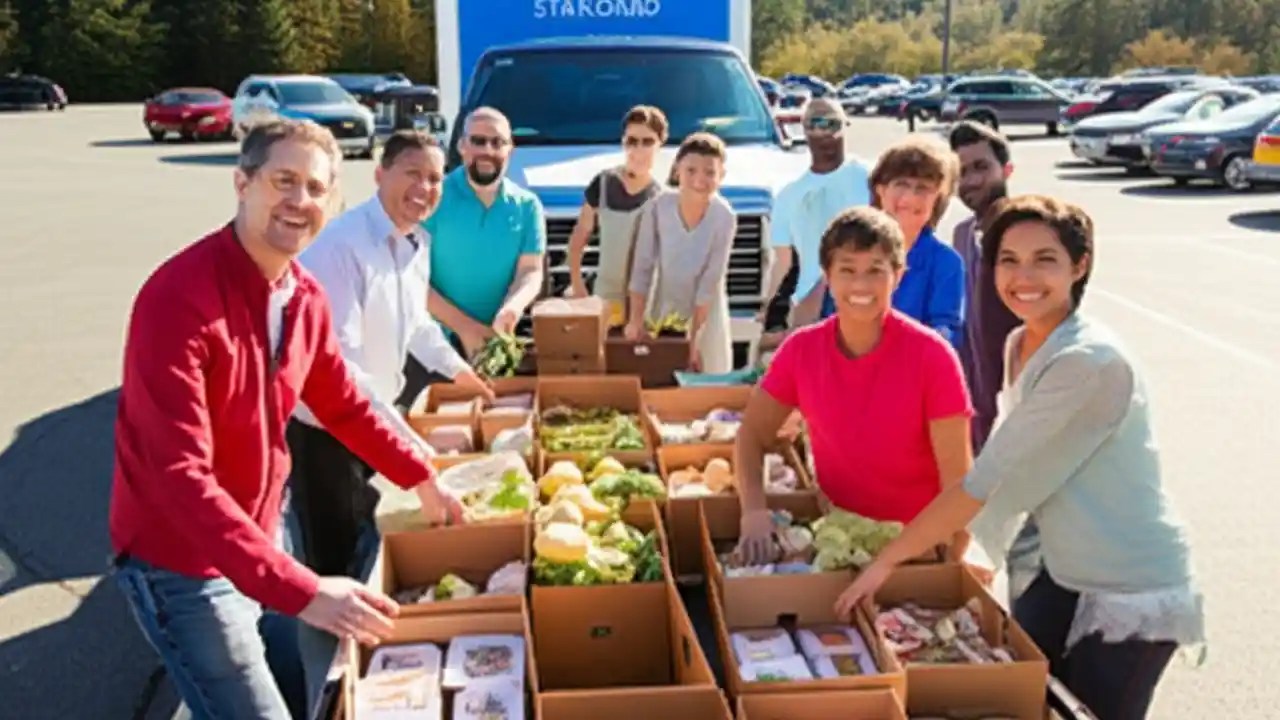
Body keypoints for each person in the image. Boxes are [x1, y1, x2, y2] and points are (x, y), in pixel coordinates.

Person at [108, 119, 464, 720]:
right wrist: (303, 589)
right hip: (182, 564)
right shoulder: (178, 298)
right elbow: (178, 474)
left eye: (317, 188)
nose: (300, 201)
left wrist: (421, 475)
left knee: (301, 692)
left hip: (263, 530)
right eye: (284, 181)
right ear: (242, 183)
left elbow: (342, 403)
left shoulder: (301, 296)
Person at [835, 195, 1205, 720]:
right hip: (1057, 566)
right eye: (1008, 260)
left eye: (1044, 259)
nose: (1022, 276)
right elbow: (1019, 473)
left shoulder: (1088, 361)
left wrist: (889, 560)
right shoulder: (1019, 342)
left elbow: (989, 476)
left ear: (1079, 266)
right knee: (1029, 697)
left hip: (1128, 582)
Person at [290, 130, 493, 581]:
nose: (424, 188)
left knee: (373, 534)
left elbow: (417, 322)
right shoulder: (341, 246)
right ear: (380, 174)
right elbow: (341, 367)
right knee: (336, 558)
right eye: (412, 174)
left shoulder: (416, 242)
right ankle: (330, 647)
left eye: (435, 178)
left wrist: (459, 370)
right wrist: (404, 442)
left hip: (378, 418)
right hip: (330, 431)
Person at [735, 207, 973, 567]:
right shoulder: (802, 350)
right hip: (839, 540)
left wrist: (950, 561)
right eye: (847, 270)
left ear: (898, 275)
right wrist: (753, 511)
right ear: (827, 277)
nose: (861, 285)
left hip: (917, 547)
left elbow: (959, 484)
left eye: (875, 270)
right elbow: (751, 435)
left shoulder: (933, 357)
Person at [948, 120, 1039, 605]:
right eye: (961, 172)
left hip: (1032, 411)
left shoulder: (1030, 232)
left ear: (1006, 168)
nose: (971, 181)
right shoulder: (963, 235)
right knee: (995, 537)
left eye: (981, 167)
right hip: (982, 412)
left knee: (1033, 546)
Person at [818, 135, 964, 347]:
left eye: (922, 188)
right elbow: (829, 318)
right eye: (901, 184)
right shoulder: (846, 250)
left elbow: (946, 331)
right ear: (880, 190)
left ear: (937, 198)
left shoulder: (947, 262)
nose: (910, 197)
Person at [425, 107, 546, 357]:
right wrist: (466, 329)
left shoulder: (528, 206)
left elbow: (531, 270)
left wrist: (511, 309)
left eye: (497, 142)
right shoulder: (433, 198)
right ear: (461, 146)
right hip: (434, 346)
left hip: (497, 341)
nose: (487, 151)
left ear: (510, 149)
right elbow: (412, 278)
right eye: (478, 141)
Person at [624, 132, 736, 373]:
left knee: (707, 380)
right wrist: (635, 320)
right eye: (691, 170)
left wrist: (693, 343)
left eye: (710, 172)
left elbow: (710, 281)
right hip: (663, 307)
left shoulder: (724, 216)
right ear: (677, 171)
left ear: (721, 176)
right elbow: (642, 266)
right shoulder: (657, 206)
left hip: (706, 316)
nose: (699, 179)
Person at [760, 97, 871, 329]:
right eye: (815, 123)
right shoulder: (788, 195)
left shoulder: (871, 178)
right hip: (807, 311)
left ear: (845, 124)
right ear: (803, 129)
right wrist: (767, 311)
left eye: (832, 123)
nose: (824, 133)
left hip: (865, 301)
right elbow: (782, 264)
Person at [567, 105, 667, 326]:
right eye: (632, 141)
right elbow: (580, 236)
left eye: (647, 141)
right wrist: (577, 285)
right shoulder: (602, 184)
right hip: (604, 298)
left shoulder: (662, 197)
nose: (638, 149)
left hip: (643, 304)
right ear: (623, 142)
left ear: (660, 144)